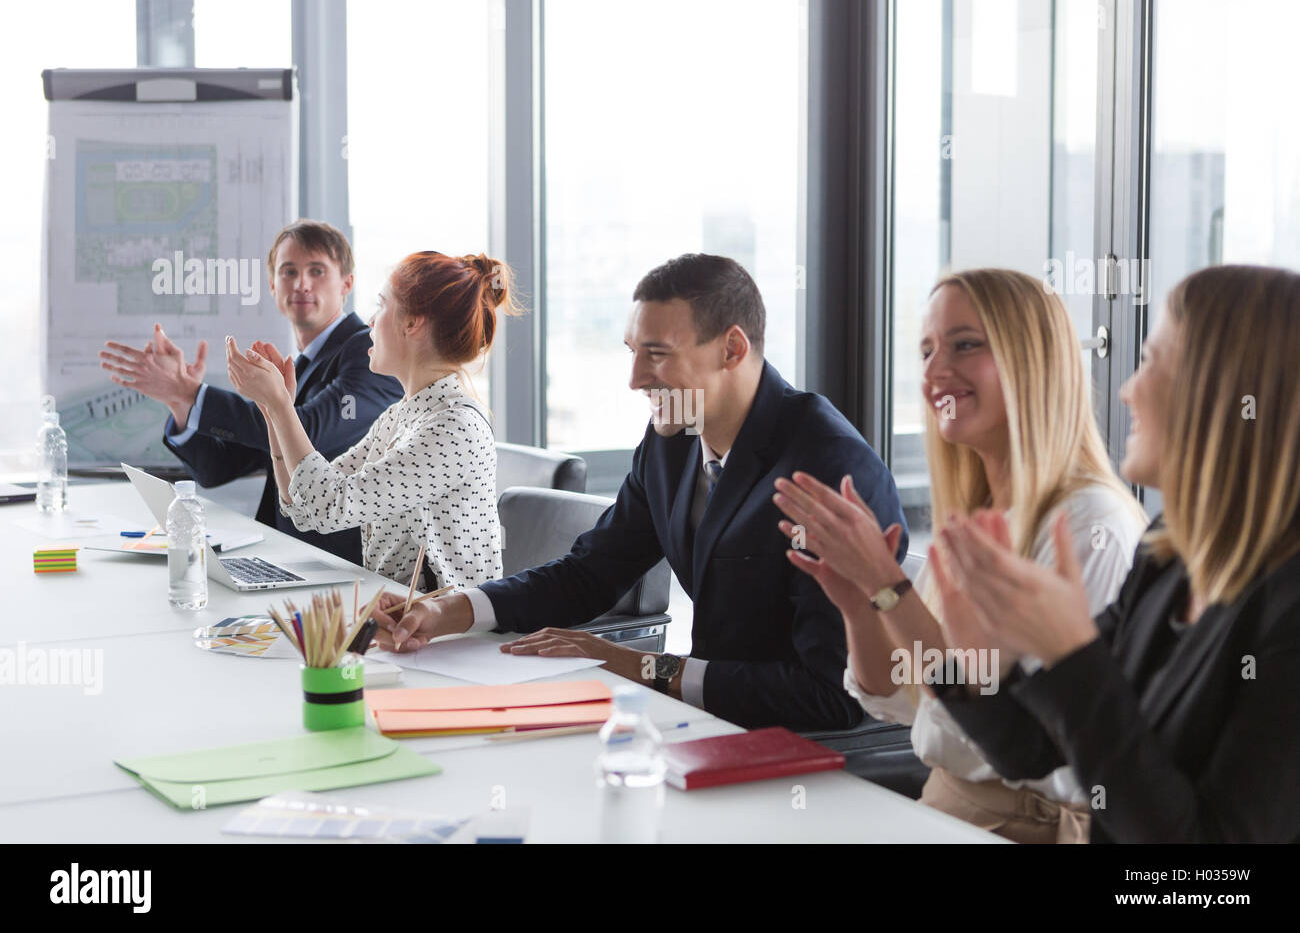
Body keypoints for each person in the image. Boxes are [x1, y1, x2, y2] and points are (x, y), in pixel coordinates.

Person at [373, 253, 908, 732]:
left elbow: (829, 696)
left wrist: (643, 666)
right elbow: (590, 573)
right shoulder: (671, 441)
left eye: (657, 354)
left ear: (732, 348)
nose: (634, 379)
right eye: (632, 351)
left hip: (802, 753)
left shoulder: (828, 468)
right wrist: (452, 611)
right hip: (704, 724)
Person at [925, 264, 1300, 843]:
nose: (1127, 388)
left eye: (1152, 361)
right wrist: (983, 670)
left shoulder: (1287, 612)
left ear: (1220, 388)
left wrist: (1071, 656)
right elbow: (1031, 749)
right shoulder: (1165, 558)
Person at [773, 268, 1146, 842]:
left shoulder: (1091, 525)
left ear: (1034, 361)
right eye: (926, 351)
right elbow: (905, 699)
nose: (934, 372)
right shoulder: (985, 517)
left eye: (965, 345)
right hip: (945, 809)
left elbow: (1020, 743)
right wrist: (859, 602)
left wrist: (888, 586)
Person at [98, 220, 404, 566]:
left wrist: (193, 392)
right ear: (272, 287)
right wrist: (180, 401)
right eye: (288, 272)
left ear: (346, 283)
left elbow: (308, 432)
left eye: (317, 271)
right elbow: (218, 469)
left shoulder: (368, 351)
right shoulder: (300, 368)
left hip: (341, 565)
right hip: (288, 557)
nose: (301, 284)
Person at [225, 251, 513, 590]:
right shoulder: (400, 415)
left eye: (381, 305)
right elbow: (304, 507)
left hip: (448, 634)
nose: (370, 322)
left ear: (412, 323)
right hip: (396, 618)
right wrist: (273, 408)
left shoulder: (454, 428)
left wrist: (280, 405)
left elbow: (330, 506)